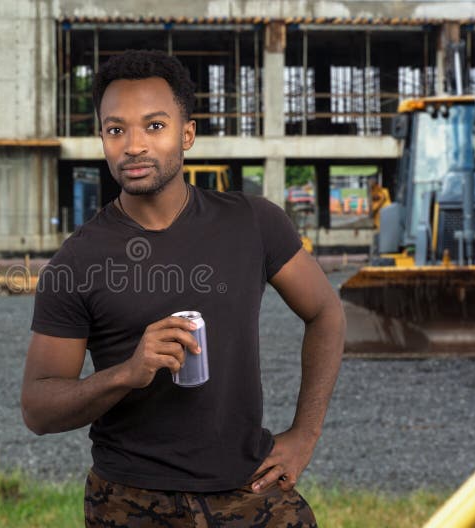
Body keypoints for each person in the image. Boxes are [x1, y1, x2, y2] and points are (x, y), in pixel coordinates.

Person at [21, 50, 345, 527]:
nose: (133, 145)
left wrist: (305, 433)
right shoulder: (77, 262)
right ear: (102, 140)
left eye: (154, 126)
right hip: (128, 500)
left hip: (247, 486)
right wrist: (127, 372)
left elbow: (326, 313)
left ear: (187, 133)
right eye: (116, 129)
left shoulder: (253, 223)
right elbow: (38, 409)